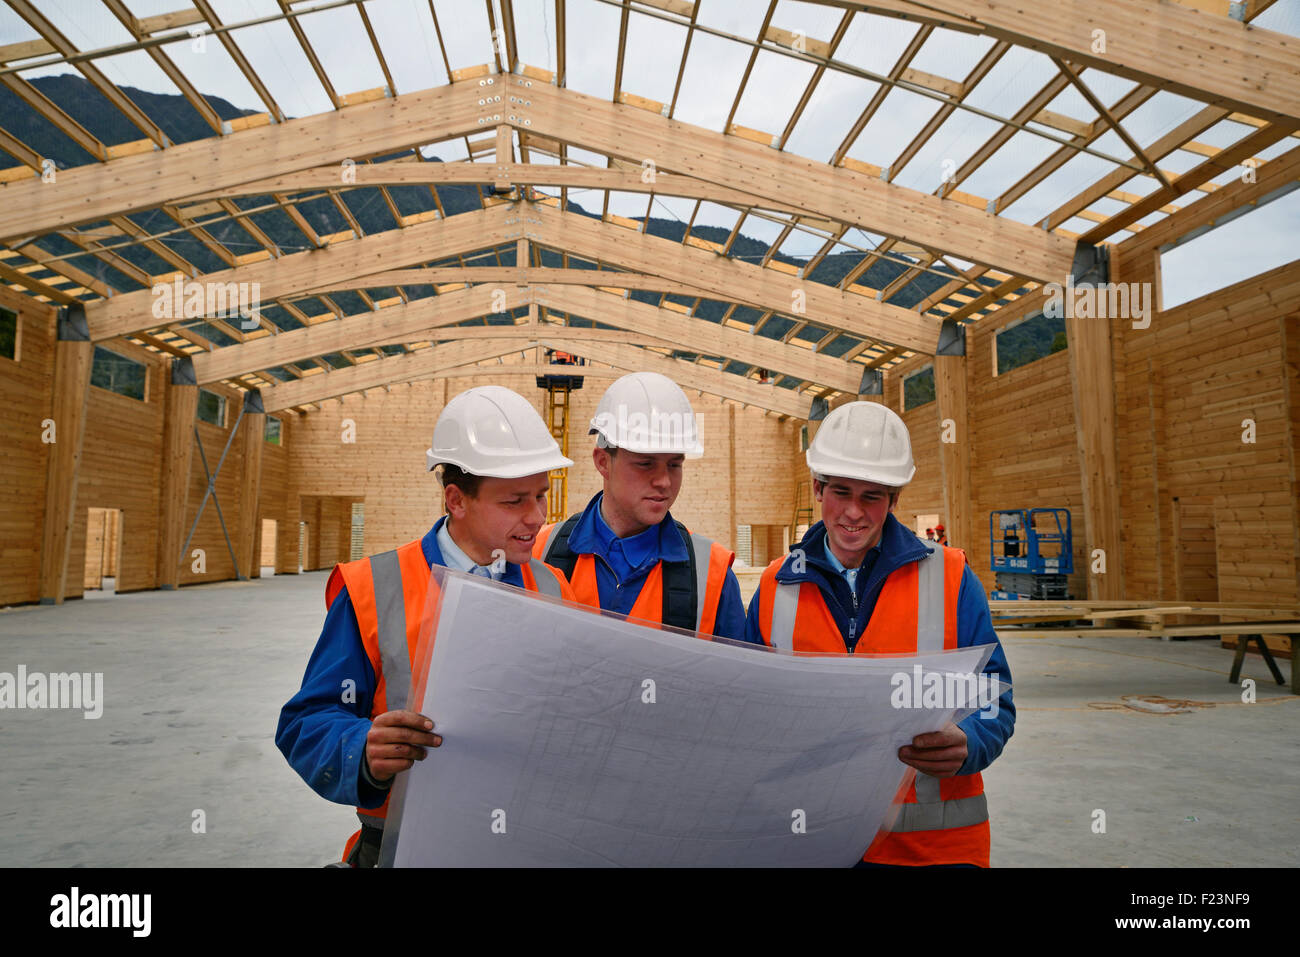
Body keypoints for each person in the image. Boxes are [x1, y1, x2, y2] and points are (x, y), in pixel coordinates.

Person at [276, 385, 578, 867]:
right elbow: (304, 723)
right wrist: (361, 748)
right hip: (404, 849)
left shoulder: (555, 588)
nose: (536, 518)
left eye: (541, 496)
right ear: (456, 500)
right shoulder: (373, 588)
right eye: (514, 500)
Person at [742, 401, 1014, 867]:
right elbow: (743, 708)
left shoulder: (950, 579)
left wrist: (969, 742)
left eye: (872, 496)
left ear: (894, 500)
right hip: (809, 844)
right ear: (816, 488)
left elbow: (995, 700)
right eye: (840, 492)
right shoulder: (774, 587)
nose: (853, 512)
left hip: (931, 852)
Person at [533, 371, 745, 640]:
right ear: (602, 462)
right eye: (645, 463)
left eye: (674, 464)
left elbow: (734, 679)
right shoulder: (539, 552)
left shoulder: (711, 574)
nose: (664, 481)